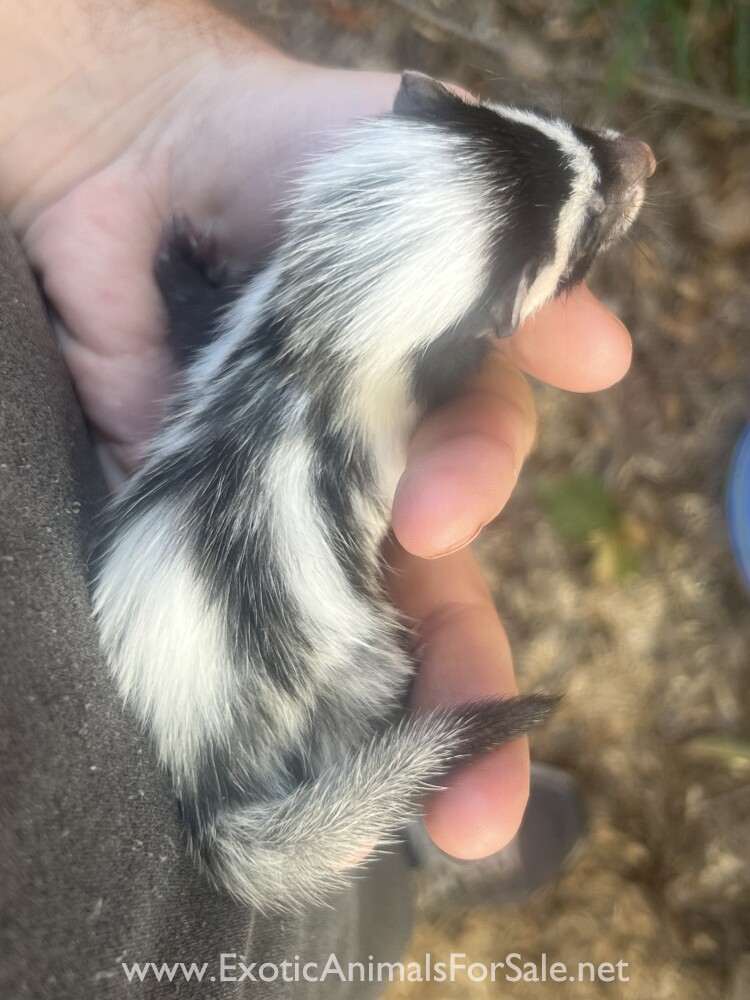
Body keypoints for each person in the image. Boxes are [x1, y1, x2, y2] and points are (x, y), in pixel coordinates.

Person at [0, 1, 633, 996]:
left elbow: (204, 318)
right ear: (503, 309)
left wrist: (130, 107)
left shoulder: (284, 303)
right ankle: (389, 845)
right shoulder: (374, 355)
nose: (632, 161)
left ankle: (385, 849)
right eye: (597, 212)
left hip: (161, 661)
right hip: (210, 728)